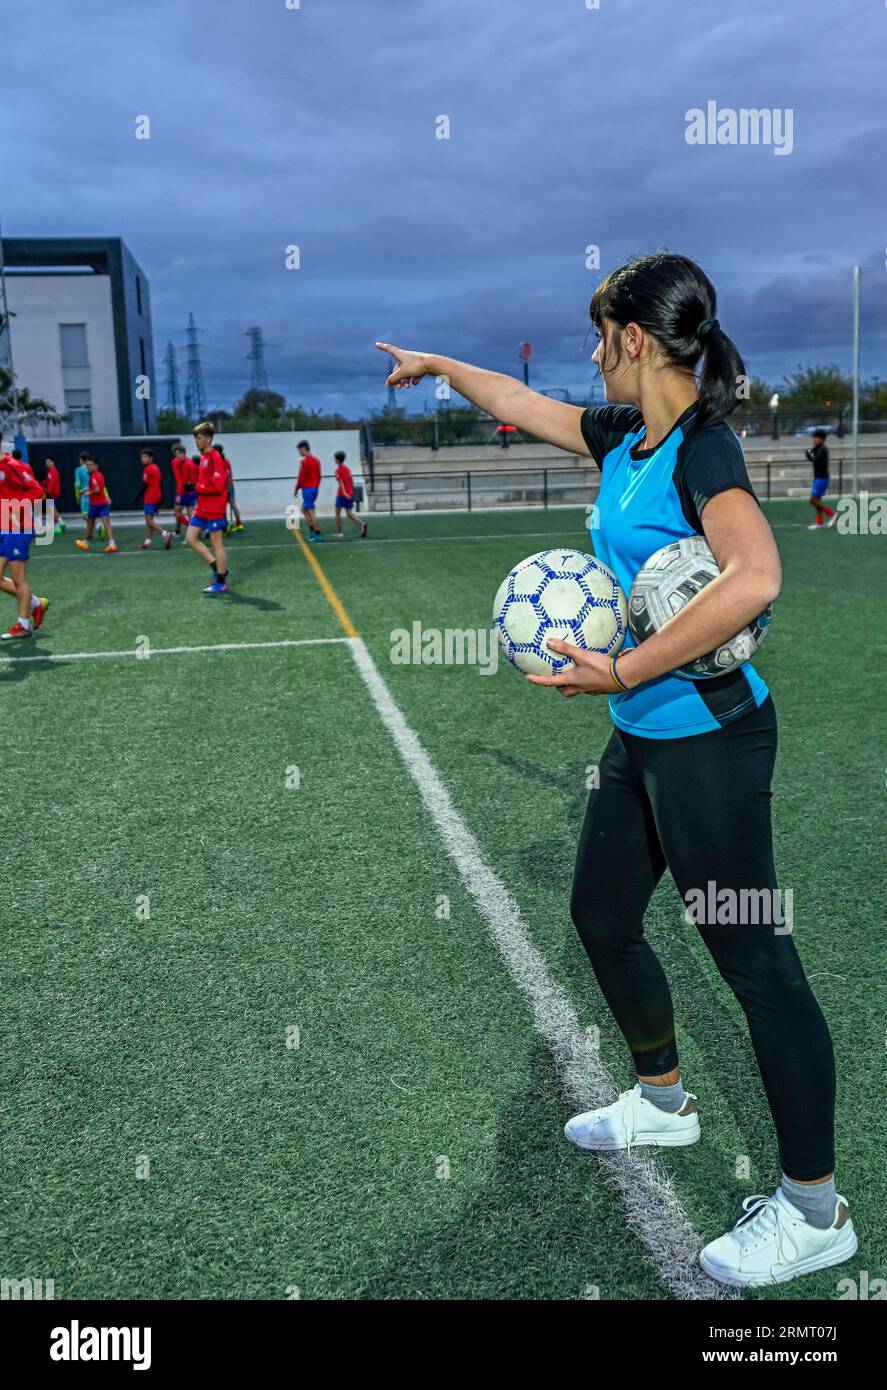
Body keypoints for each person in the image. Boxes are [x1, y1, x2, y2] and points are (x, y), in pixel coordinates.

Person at [375, 251, 855, 1289]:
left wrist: (626, 666)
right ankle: (662, 1097)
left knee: (755, 966)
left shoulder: (701, 449)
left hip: (712, 743)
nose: (590, 357)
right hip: (642, 735)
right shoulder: (617, 438)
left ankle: (815, 1208)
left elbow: (755, 576)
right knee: (601, 913)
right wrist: (439, 365)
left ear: (634, 339)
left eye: (599, 338)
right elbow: (511, 397)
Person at [0, 432, 49, 639]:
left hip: (18, 527)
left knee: (19, 577)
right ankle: (36, 603)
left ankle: (24, 625)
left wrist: (17, 508)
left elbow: (38, 492)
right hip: (3, 526)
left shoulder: (13, 466)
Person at [185, 421, 229, 594]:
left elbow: (218, 487)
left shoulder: (215, 458)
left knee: (216, 543)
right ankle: (218, 568)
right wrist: (197, 486)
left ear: (209, 439)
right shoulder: (204, 457)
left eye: (200, 438)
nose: (197, 442)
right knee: (190, 538)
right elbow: (206, 482)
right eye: (196, 438)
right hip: (202, 507)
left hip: (214, 508)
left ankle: (221, 581)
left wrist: (196, 487)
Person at [132, 449, 172, 550]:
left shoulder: (148, 469)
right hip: (156, 497)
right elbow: (160, 483)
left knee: (149, 521)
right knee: (149, 520)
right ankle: (148, 542)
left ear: (151, 458)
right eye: (142, 457)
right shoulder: (156, 467)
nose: (143, 459)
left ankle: (165, 534)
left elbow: (144, 485)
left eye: (145, 457)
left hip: (150, 498)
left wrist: (136, 498)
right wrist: (161, 498)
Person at [75, 457, 117, 553]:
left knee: (91, 524)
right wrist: (85, 490)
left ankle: (86, 542)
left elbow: (97, 489)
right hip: (102, 504)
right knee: (104, 524)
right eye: (87, 465)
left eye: (90, 465)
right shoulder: (98, 475)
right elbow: (97, 487)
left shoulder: (94, 476)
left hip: (95, 505)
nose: (88, 467)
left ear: (96, 466)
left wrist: (88, 493)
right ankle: (112, 543)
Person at [806, 429, 836, 530]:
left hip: (822, 478)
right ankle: (819, 523)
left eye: (816, 438)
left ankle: (832, 514)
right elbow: (812, 459)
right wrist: (808, 454)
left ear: (822, 439)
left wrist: (810, 455)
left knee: (813, 499)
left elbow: (816, 460)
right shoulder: (817, 448)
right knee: (817, 500)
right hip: (818, 478)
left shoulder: (823, 449)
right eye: (814, 437)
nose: (814, 439)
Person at [332, 450, 367, 539]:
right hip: (350, 493)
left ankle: (340, 533)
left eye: (335, 459)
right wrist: (350, 492)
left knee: (337, 513)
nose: (334, 460)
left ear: (338, 460)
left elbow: (341, 482)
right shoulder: (347, 469)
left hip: (341, 494)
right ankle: (362, 524)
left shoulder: (337, 470)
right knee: (349, 513)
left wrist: (344, 492)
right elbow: (351, 481)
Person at [294, 439, 322, 541]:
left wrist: (296, 489)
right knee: (304, 509)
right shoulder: (317, 460)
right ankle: (312, 531)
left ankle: (317, 534)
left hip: (307, 490)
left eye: (299, 450)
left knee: (311, 512)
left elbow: (301, 477)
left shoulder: (304, 462)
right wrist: (316, 486)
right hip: (314, 489)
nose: (299, 452)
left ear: (303, 448)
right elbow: (319, 476)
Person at [171, 444, 198, 538]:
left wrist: (179, 494)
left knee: (177, 513)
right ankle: (178, 532)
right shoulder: (187, 461)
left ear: (184, 453)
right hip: (192, 491)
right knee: (189, 514)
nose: (178, 456)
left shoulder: (184, 463)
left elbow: (180, 480)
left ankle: (193, 532)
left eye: (179, 453)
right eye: (176, 454)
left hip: (185, 492)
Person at [216, 445, 244, 533]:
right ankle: (229, 524)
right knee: (227, 506)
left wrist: (227, 489)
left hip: (226, 487)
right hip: (225, 486)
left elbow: (227, 475)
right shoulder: (222, 460)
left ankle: (236, 524)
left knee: (230, 505)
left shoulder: (223, 461)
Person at [42, 456, 64, 534]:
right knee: (54, 509)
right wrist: (43, 483)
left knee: (52, 510)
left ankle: (57, 527)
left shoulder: (51, 471)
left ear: (53, 462)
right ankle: (61, 523)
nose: (46, 463)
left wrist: (48, 492)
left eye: (48, 462)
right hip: (55, 493)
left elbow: (51, 483)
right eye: (46, 462)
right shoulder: (54, 471)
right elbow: (49, 481)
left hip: (52, 494)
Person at [74, 452, 91, 528]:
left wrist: (77, 496)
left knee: (84, 514)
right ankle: (93, 529)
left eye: (80, 460)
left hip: (84, 494)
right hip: (92, 493)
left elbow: (77, 484)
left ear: (82, 460)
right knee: (92, 512)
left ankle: (97, 526)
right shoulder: (91, 468)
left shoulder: (78, 470)